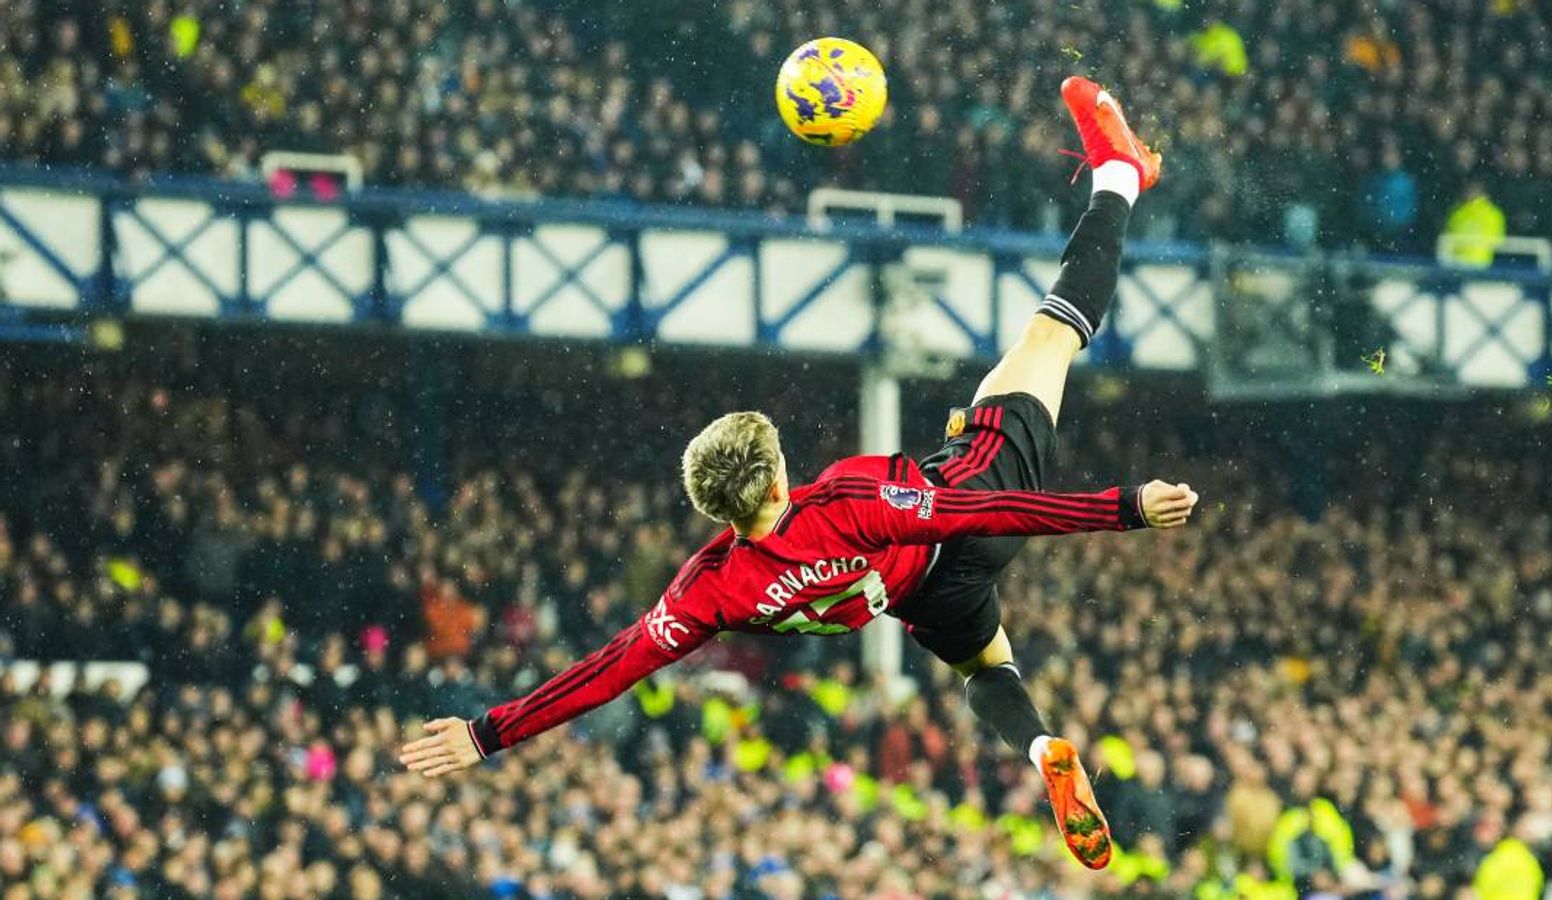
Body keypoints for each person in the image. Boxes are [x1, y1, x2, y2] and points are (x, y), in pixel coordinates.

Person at [399, 77, 1196, 871]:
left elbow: (607, 670)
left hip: (921, 600)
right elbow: (969, 516)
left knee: (987, 666)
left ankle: (1039, 746)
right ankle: (1118, 175)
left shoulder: (710, 588)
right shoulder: (845, 499)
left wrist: (487, 733)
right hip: (967, 509)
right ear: (779, 478)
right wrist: (1124, 506)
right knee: (1051, 336)